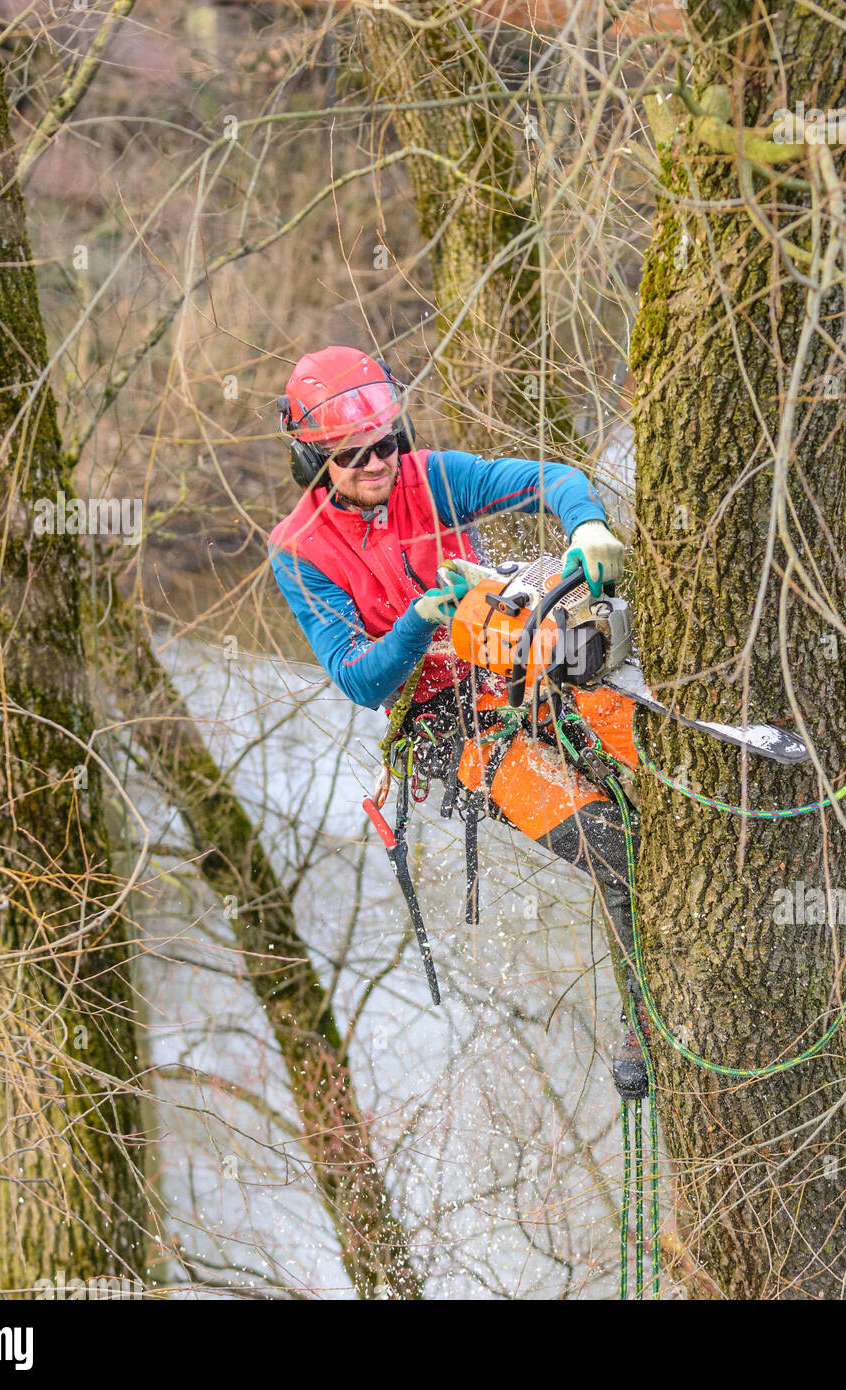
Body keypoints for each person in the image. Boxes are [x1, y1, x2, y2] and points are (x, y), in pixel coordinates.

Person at [268, 346, 648, 1095]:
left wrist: (587, 528)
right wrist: (417, 621)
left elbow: (548, 479)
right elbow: (355, 675)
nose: (377, 464)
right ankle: (645, 1017)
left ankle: (844, 877)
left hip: (509, 661)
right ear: (313, 460)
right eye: (353, 455)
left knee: (642, 735)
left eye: (385, 443)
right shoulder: (300, 550)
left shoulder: (431, 477)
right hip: (443, 722)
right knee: (607, 840)